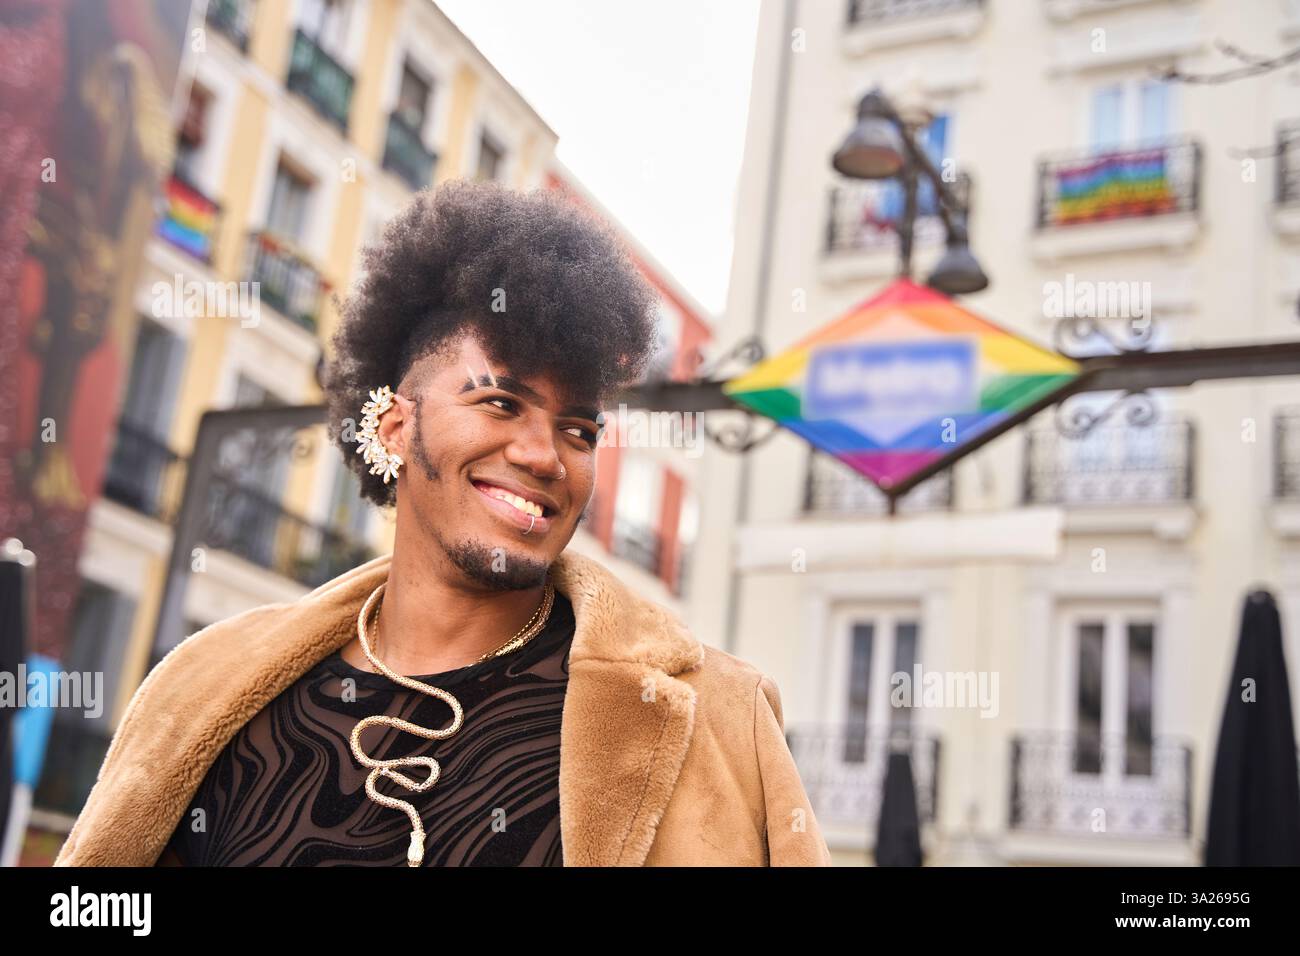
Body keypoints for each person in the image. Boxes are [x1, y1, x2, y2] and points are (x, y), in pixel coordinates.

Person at [53, 180, 832, 867]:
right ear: (394, 427)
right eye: (501, 402)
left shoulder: (722, 722)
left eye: (579, 430)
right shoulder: (205, 689)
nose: (544, 455)